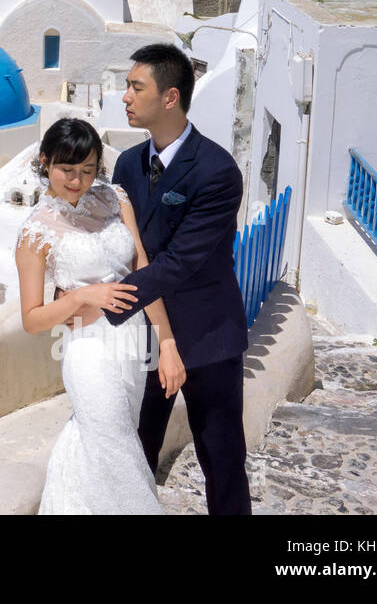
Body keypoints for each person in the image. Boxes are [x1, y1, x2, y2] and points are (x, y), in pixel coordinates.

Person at [79, 43, 252, 515]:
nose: (126, 97)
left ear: (170, 97)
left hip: (206, 339)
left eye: (136, 87)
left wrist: (104, 303)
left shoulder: (218, 172)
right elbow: (127, 247)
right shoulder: (128, 163)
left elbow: (177, 263)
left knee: (221, 460)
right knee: (136, 452)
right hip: (144, 338)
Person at [17, 117, 186, 515]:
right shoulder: (35, 232)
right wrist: (83, 296)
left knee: (95, 441)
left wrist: (167, 343)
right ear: (45, 162)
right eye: (66, 169)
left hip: (133, 345)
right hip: (88, 350)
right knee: (116, 446)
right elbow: (32, 319)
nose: (77, 180)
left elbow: (143, 273)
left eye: (88, 170)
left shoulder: (116, 199)